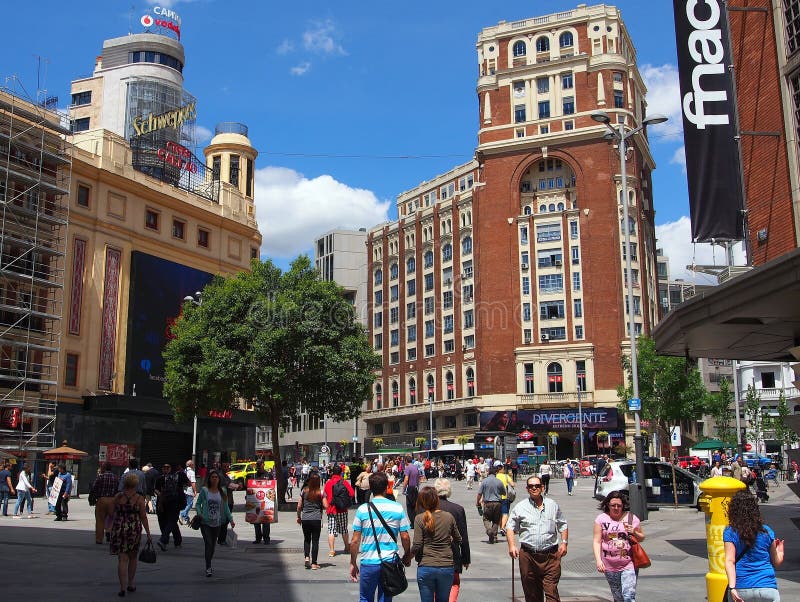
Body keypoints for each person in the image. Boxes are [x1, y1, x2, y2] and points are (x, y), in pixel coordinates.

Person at [349, 471, 412, 602]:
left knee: (365, 598)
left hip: (368, 562)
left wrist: (353, 562)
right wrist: (407, 555)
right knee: (386, 598)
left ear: (371, 488)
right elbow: (405, 536)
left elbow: (355, 541)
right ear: (386, 488)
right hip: (389, 562)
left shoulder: (362, 509)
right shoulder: (397, 508)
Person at [507, 475, 569, 602]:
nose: (534, 488)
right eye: (530, 486)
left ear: (542, 487)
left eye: (537, 486)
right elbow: (510, 527)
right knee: (532, 594)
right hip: (528, 556)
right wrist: (512, 545)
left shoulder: (552, 505)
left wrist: (564, 543)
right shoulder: (520, 507)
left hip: (550, 555)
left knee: (551, 593)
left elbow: (563, 524)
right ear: (527, 489)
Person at [724, 490, 784, 602]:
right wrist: (780, 551)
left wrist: (732, 587)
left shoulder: (730, 532)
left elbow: (730, 561)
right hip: (767, 588)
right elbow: (776, 562)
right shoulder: (767, 532)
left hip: (742, 587)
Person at [592, 491, 645, 602]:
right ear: (607, 505)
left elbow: (642, 537)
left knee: (628, 596)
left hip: (629, 564)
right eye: (613, 505)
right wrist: (598, 560)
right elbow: (597, 541)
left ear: (623, 505)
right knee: (618, 597)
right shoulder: (601, 519)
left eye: (619, 506)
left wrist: (634, 532)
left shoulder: (631, 518)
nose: (616, 508)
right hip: (609, 565)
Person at [412, 486, 462, 602]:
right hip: (446, 566)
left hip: (426, 566)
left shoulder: (419, 519)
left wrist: (407, 557)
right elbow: (459, 539)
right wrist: (449, 539)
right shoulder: (449, 517)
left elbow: (417, 545)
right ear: (437, 499)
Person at [110, 473, 152, 597]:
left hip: (119, 528)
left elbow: (111, 512)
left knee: (122, 559)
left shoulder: (118, 496)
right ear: (136, 484)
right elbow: (143, 517)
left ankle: (122, 587)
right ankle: (130, 584)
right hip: (133, 529)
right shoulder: (139, 498)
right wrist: (148, 533)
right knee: (132, 557)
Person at [434, 478, 471, 601]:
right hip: (452, 554)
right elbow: (463, 536)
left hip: (431, 556)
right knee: (453, 584)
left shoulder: (426, 509)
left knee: (434, 587)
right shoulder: (458, 509)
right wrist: (465, 558)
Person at [195, 469, 234, 577]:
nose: (214, 479)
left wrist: (230, 519)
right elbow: (198, 504)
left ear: (219, 479)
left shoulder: (223, 491)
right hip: (205, 522)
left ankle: (209, 561)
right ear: (209, 479)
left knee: (212, 546)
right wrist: (199, 513)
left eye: (216, 477)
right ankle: (208, 567)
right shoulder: (204, 490)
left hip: (217, 522)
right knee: (208, 543)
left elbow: (225, 506)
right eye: (213, 477)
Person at [154, 463, 189, 550]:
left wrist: (161, 494)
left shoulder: (160, 478)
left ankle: (165, 540)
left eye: (167, 467)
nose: (165, 469)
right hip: (174, 502)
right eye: (164, 467)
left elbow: (155, 489)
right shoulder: (180, 475)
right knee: (172, 521)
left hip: (164, 502)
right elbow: (188, 483)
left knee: (167, 521)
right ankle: (172, 540)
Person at [323, 464, 355, 557]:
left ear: (332, 472)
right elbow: (352, 493)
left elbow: (325, 495)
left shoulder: (328, 483)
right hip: (342, 509)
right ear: (341, 472)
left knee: (331, 530)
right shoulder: (344, 482)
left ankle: (332, 551)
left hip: (331, 509)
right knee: (344, 529)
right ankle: (346, 547)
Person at [297, 472, 324, 570]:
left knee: (307, 539)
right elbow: (325, 505)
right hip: (316, 519)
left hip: (305, 519)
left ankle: (307, 557)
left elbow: (299, 506)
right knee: (315, 541)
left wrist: (298, 517)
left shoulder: (304, 491)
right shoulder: (320, 492)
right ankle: (314, 564)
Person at [91, 462, 121, 544]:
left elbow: (94, 488)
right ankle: (110, 532)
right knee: (112, 518)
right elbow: (119, 489)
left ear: (104, 468)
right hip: (112, 500)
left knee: (100, 520)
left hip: (101, 499)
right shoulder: (116, 477)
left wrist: (93, 498)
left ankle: (99, 539)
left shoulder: (100, 477)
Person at [476, 466, 505, 544]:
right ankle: (494, 535)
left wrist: (477, 502)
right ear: (496, 473)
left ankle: (489, 531)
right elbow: (504, 492)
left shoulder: (484, 481)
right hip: (497, 503)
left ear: (488, 472)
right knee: (496, 520)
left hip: (488, 503)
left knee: (486, 519)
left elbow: (479, 493)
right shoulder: (499, 481)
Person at [252, 460, 271, 545]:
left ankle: (266, 538)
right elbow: (251, 486)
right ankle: (258, 538)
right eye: (257, 465)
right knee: (256, 521)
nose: (259, 466)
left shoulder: (268, 475)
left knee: (266, 521)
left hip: (266, 501)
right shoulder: (254, 475)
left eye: (260, 464)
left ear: (263, 464)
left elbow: (272, 487)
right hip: (256, 501)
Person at [496, 464, 516, 536]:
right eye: (503, 469)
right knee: (505, 513)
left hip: (496, 498)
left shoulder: (495, 477)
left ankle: (501, 526)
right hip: (505, 497)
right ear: (501, 469)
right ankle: (502, 528)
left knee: (499, 513)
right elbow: (513, 484)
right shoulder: (506, 476)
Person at [403, 458, 423, 526]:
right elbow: (419, 478)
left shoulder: (408, 468)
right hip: (415, 488)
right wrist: (417, 487)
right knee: (415, 505)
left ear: (406, 461)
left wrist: (403, 489)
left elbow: (406, 479)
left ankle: (413, 523)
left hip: (410, 488)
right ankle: (417, 521)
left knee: (409, 506)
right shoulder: (416, 467)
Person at [179, 460, 197, 525]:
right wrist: (195, 490)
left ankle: (186, 518)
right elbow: (193, 482)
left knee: (185, 504)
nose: (194, 465)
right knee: (190, 504)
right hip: (189, 490)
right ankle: (182, 514)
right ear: (191, 465)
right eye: (193, 464)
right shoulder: (191, 472)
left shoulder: (184, 471)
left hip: (183, 490)